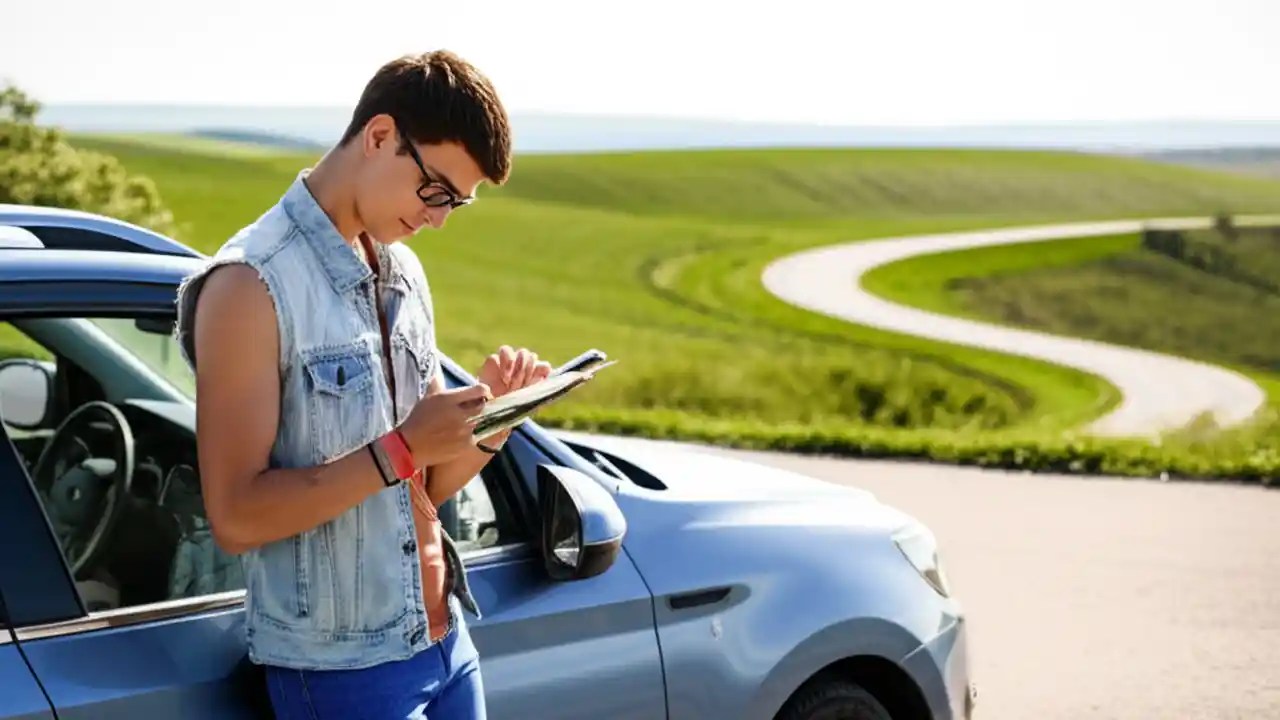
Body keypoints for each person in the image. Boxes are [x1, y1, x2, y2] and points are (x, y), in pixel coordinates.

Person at [174, 50, 549, 720]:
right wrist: (402, 447)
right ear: (379, 137)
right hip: (345, 677)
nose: (438, 219)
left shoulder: (402, 275)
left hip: (447, 644)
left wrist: (495, 422)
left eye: (457, 204)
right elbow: (235, 516)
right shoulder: (249, 286)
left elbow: (422, 487)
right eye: (437, 192)